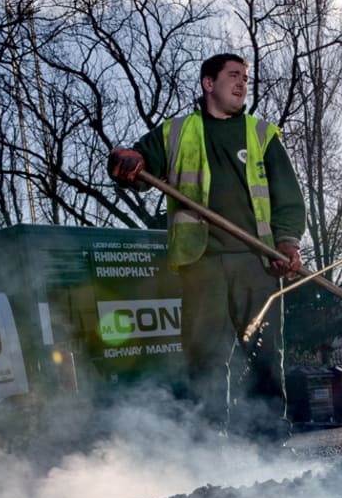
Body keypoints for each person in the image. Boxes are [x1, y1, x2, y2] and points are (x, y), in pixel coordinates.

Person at [106, 53, 306, 442]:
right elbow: (139, 164)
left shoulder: (262, 134)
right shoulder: (177, 132)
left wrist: (286, 241)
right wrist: (127, 161)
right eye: (234, 76)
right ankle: (210, 449)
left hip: (258, 263)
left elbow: (287, 196)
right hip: (202, 263)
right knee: (206, 358)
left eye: (246, 78)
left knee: (265, 356)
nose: (242, 84)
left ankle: (270, 445)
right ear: (208, 83)